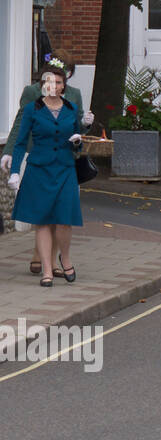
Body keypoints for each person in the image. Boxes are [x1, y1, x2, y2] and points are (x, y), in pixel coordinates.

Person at [1, 52, 92, 276]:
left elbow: (76, 128)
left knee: (60, 215)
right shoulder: (32, 93)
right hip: (38, 156)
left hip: (64, 162)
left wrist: (85, 127)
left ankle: (49, 262)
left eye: (64, 75)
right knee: (43, 213)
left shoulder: (74, 96)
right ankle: (43, 261)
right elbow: (20, 124)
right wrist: (9, 151)